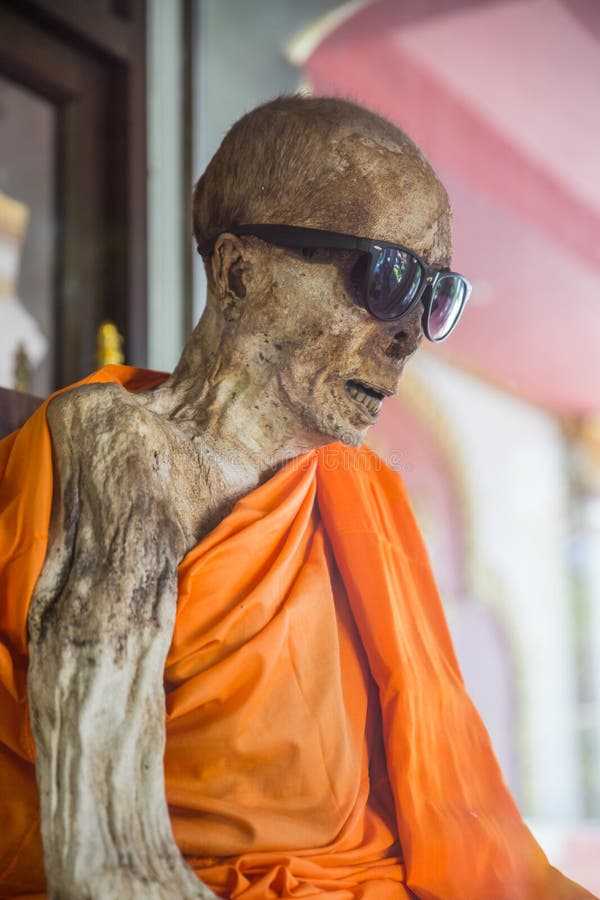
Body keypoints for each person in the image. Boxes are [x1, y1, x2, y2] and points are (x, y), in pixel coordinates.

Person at [0, 95, 594, 899]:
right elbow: (111, 865)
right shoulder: (126, 446)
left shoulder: (363, 501)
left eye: (434, 296)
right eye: (385, 277)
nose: (408, 337)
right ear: (239, 271)